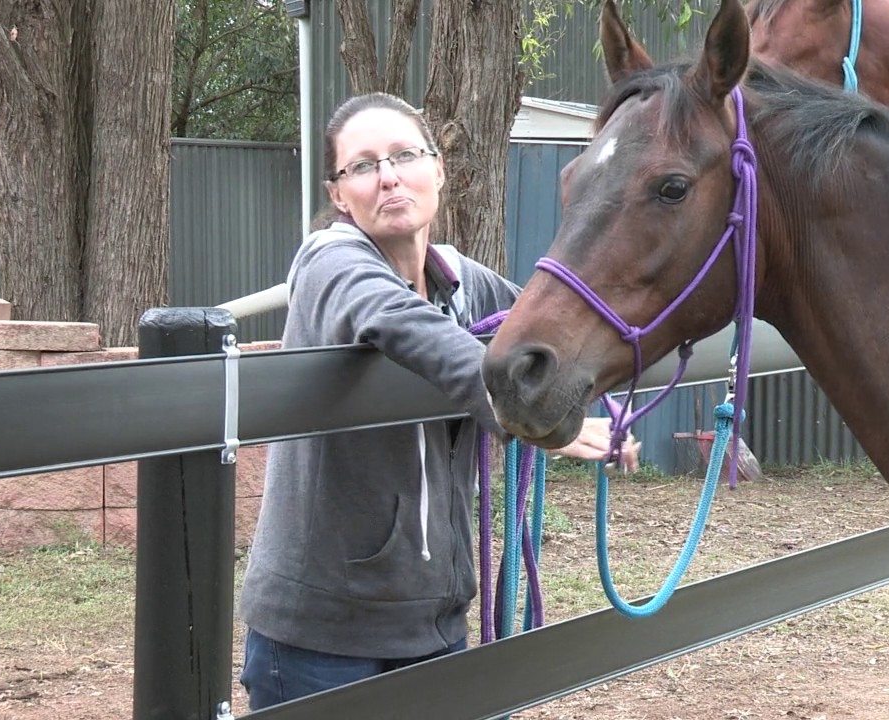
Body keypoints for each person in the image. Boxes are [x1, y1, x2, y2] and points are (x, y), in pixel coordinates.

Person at [237, 92, 640, 710]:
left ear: (439, 170)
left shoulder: (459, 281)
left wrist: (605, 391)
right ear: (339, 194)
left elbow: (554, 331)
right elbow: (399, 320)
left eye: (405, 155)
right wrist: (532, 414)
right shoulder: (329, 263)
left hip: (435, 621)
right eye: (363, 165)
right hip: (321, 635)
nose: (389, 176)